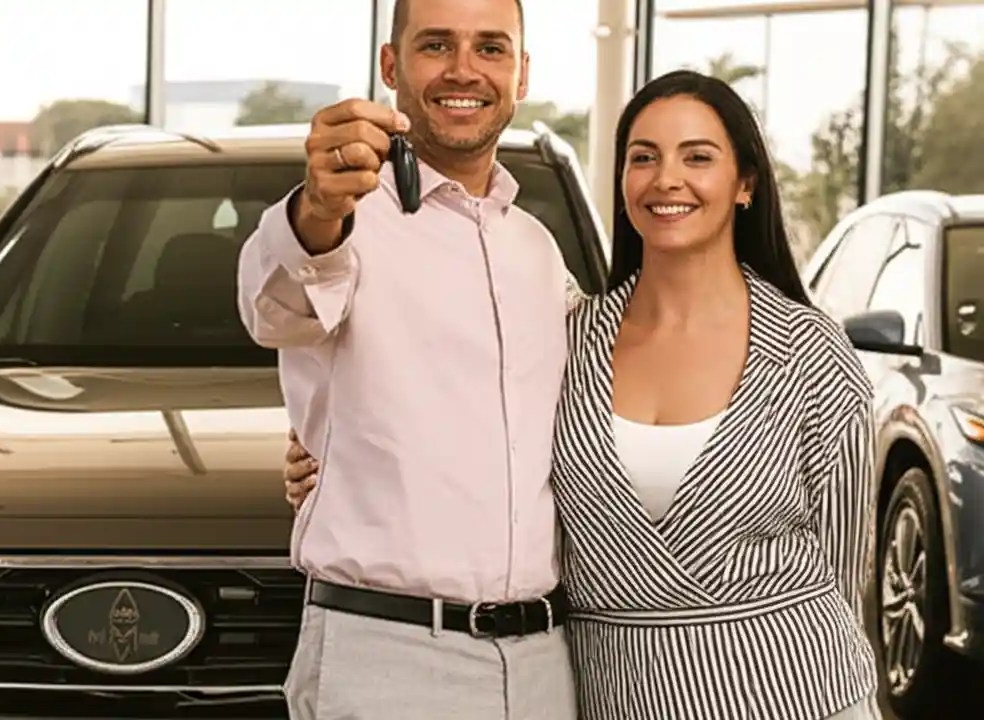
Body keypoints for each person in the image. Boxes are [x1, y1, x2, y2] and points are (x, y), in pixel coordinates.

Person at [285, 69, 884, 720]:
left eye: (698, 157)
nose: (667, 180)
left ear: (745, 184)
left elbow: (847, 571)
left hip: (799, 698)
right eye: (643, 157)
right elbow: (454, 399)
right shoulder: (571, 333)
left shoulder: (811, 353)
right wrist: (329, 451)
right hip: (615, 696)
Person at [235, 0, 580, 717]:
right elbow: (273, 305)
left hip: (546, 663)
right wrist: (319, 208)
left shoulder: (539, 252)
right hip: (386, 660)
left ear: (520, 74)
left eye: (491, 48)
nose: (464, 70)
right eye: (436, 45)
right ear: (392, 66)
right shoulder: (348, 217)